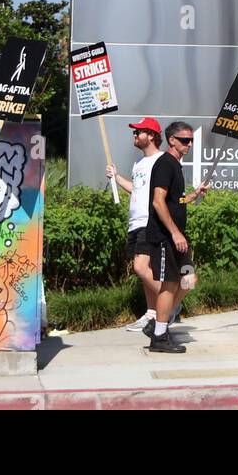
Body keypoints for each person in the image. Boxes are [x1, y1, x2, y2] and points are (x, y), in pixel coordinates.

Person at [145, 121, 209, 354]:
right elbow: (158, 201)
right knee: (169, 284)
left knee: (188, 280)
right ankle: (159, 336)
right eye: (184, 140)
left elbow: (175, 201)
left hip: (177, 237)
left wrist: (194, 194)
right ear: (171, 140)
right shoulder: (165, 164)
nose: (189, 144)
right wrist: (174, 233)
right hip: (166, 237)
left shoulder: (175, 166)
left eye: (191, 140)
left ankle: (159, 324)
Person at [106, 117, 164, 335]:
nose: (134, 135)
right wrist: (117, 177)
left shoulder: (162, 161)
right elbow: (136, 189)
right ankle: (151, 313)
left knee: (140, 268)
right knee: (145, 270)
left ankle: (171, 301)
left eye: (138, 132)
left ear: (150, 135)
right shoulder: (139, 164)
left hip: (150, 221)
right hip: (135, 222)